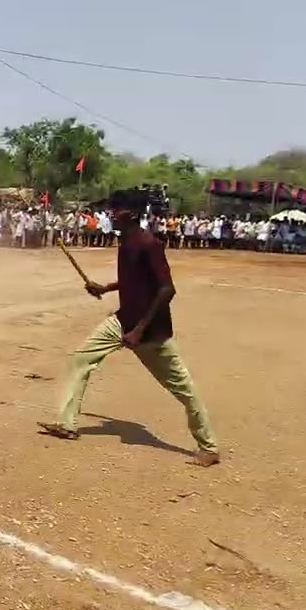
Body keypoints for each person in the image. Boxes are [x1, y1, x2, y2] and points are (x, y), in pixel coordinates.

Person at [38, 188, 220, 467]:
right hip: (123, 320)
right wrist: (106, 287)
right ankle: (67, 424)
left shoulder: (150, 244)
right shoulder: (126, 242)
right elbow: (135, 280)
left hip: (150, 332)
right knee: (82, 359)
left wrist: (139, 330)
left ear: (131, 213)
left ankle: (208, 447)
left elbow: (166, 289)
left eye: (116, 208)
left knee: (183, 389)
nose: (111, 213)